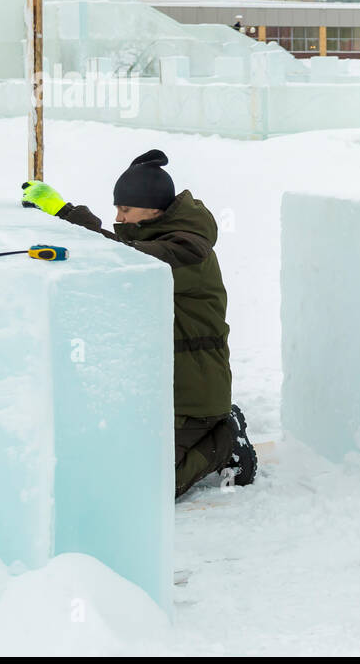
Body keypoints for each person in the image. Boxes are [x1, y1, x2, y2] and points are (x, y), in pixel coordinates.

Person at [20, 150, 256, 499]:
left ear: (154, 209)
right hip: (161, 393)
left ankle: (224, 440)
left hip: (194, 397)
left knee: (150, 491)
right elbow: (123, 254)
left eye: (125, 209)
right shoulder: (156, 240)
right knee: (117, 464)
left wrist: (69, 217)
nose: (118, 216)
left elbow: (126, 258)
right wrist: (65, 215)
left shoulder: (188, 252)